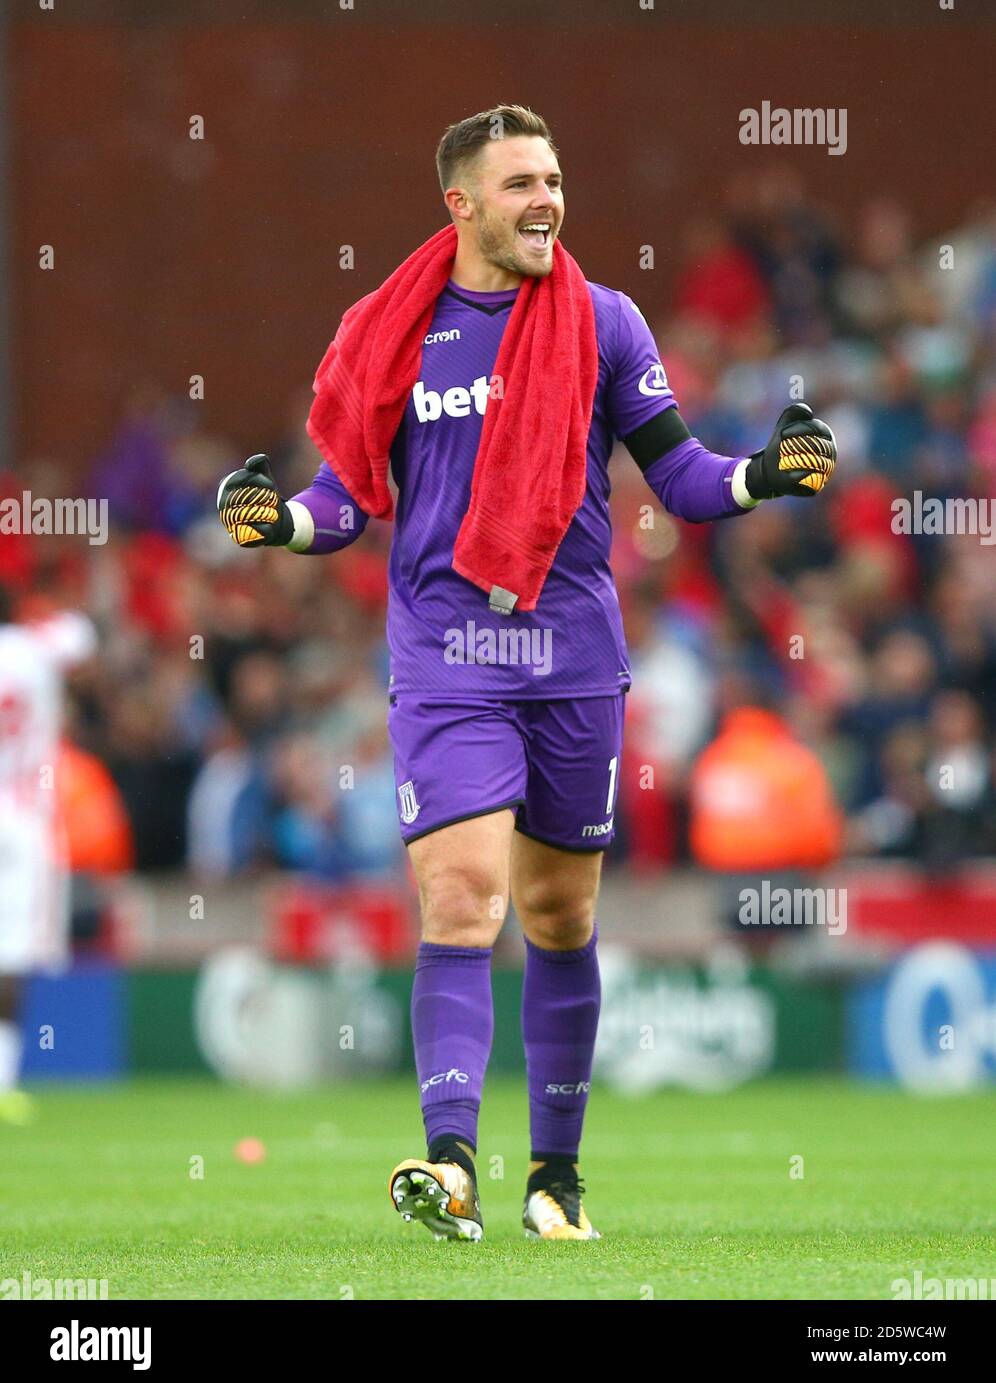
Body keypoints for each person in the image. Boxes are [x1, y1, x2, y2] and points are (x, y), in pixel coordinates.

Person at [217, 105, 837, 1240]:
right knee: (463, 895)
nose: (547, 199)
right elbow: (344, 496)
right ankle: (451, 1162)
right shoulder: (388, 332)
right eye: (520, 185)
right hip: (449, 648)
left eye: (554, 178)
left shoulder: (605, 322)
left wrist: (766, 479)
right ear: (460, 204)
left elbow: (683, 474)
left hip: (571, 653)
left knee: (559, 913)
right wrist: (278, 528)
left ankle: (556, 1177)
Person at [0, 587, 96, 1123]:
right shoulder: (34, 647)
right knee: (12, 955)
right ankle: (3, 1079)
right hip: (23, 818)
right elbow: (83, 634)